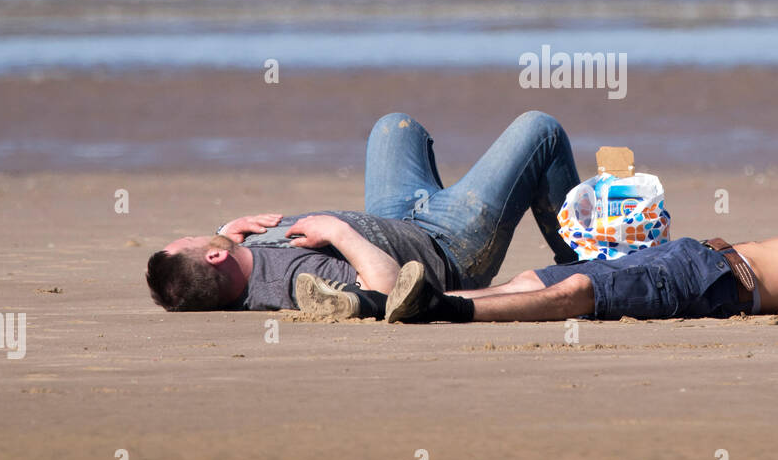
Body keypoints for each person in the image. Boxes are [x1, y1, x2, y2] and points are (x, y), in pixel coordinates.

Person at [144, 111, 580, 317]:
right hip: (448, 247)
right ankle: (582, 259)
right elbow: (388, 288)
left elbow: (206, 262)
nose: (199, 235)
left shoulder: (232, 256)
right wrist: (335, 230)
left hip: (400, 218)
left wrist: (225, 230)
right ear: (213, 259)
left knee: (393, 126)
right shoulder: (294, 282)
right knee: (539, 131)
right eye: (192, 240)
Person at [380, 222, 778, 323]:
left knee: (575, 294)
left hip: (712, 286)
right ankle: (406, 299)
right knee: (534, 278)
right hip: (690, 254)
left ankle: (444, 311)